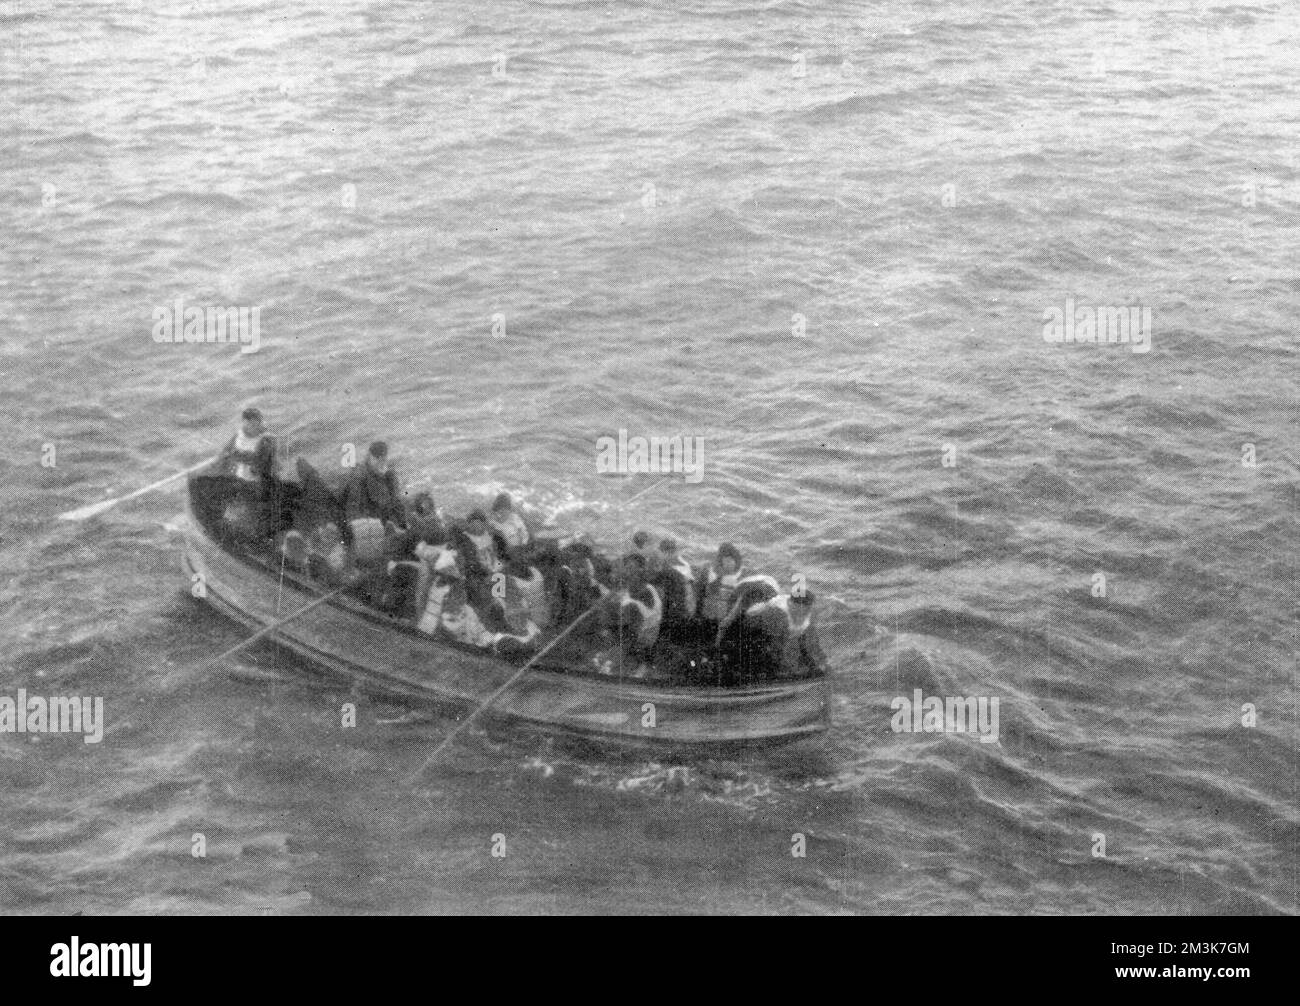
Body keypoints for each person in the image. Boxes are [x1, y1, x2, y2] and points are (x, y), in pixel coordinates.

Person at [739, 590, 826, 679]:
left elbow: (807, 643)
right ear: (791, 604)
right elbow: (776, 647)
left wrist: (816, 665)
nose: (805, 612)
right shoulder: (778, 613)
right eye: (801, 609)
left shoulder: (806, 612)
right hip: (747, 632)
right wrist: (787, 669)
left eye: (808, 609)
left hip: (771, 633)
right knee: (771, 659)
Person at [341, 441, 407, 527]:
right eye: (377, 459)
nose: (381, 463)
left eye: (383, 459)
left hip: (387, 521)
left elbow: (396, 502)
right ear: (370, 456)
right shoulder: (360, 476)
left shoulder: (390, 475)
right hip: (370, 523)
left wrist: (403, 526)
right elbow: (354, 509)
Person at [652, 537, 697, 642]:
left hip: (676, 603)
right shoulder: (684, 563)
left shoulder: (669, 568)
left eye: (661, 552)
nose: (659, 555)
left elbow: (656, 580)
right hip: (686, 602)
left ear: (666, 552)